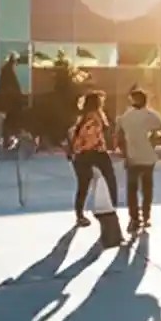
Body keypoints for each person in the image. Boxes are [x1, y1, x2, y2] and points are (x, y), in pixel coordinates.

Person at [68, 91, 119, 230]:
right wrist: (98, 147)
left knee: (84, 184)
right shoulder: (93, 117)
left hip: (83, 153)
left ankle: (80, 214)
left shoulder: (85, 116)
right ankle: (112, 204)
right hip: (91, 151)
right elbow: (91, 135)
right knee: (108, 175)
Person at [116, 88, 161, 233]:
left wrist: (124, 152)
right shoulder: (152, 115)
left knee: (132, 190)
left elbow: (120, 135)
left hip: (132, 157)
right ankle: (146, 216)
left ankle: (134, 219)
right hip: (148, 157)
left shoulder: (126, 117)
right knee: (147, 188)